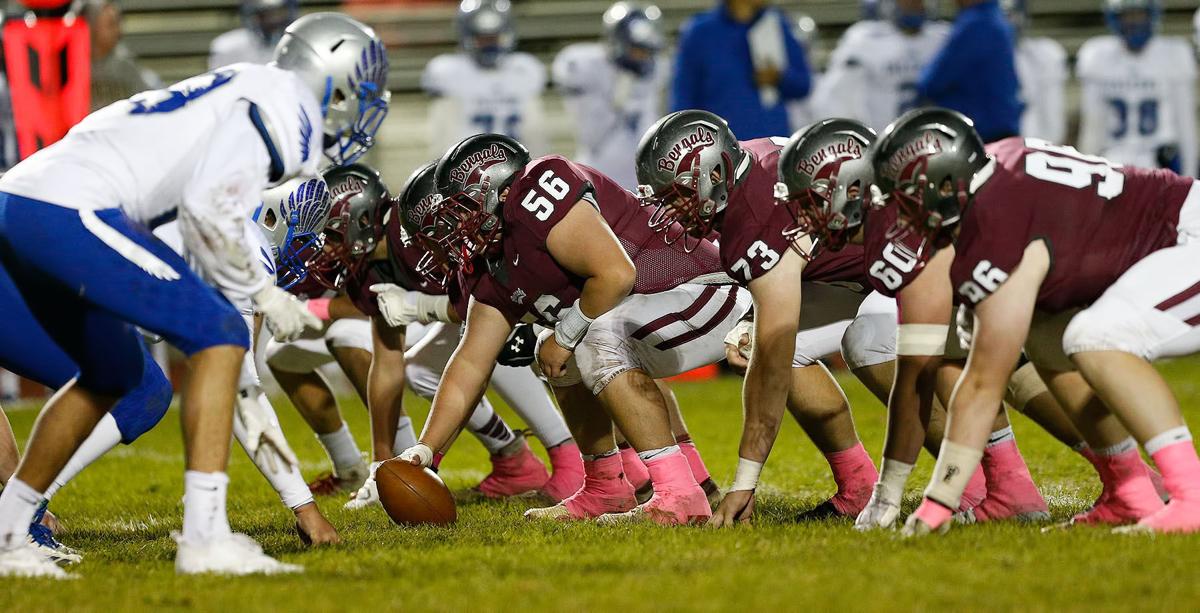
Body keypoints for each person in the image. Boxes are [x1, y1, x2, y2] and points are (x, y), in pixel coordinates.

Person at [0, 12, 388, 578]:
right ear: (330, 76)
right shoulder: (288, 111)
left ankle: (9, 530)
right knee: (220, 335)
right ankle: (205, 538)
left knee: (119, 377)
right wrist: (263, 292)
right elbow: (210, 208)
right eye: (363, 86)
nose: (366, 102)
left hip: (25, 200)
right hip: (67, 206)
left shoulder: (248, 86)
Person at [872, 108, 1200, 536]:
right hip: (1174, 233)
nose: (901, 217)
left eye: (906, 199)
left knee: (1095, 337)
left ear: (944, 183)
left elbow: (982, 384)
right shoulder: (997, 175)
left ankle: (1191, 495)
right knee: (1047, 335)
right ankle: (1130, 491)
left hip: (1187, 238)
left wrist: (937, 503)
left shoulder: (995, 219)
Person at [397, 134, 740, 525]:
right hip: (649, 318)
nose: (456, 231)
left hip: (704, 292)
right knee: (569, 343)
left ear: (501, 188)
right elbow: (471, 363)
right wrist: (424, 451)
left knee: (584, 336)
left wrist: (564, 338)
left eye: (463, 212)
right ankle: (608, 485)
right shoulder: (491, 263)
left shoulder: (538, 188)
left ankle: (679, 496)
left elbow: (615, 275)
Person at [634, 110, 903, 525]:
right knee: (778, 347)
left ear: (712, 174)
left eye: (677, 195)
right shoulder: (751, 161)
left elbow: (771, 363)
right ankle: (858, 485)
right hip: (859, 274)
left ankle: (981, 483)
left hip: (908, 267)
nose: (672, 210)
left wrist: (745, 479)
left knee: (863, 346)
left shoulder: (754, 214)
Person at [553, 2, 667, 190]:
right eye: (636, 49)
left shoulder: (658, 69)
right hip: (598, 173)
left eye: (646, 50)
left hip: (644, 177)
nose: (642, 57)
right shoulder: (590, 66)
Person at [1077, 0, 1196, 176]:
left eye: (1139, 14)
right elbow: (1092, 128)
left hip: (1162, 160)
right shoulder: (1096, 55)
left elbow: (1186, 124)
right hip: (1113, 160)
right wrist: (1084, 172)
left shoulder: (1175, 54)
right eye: (1127, 16)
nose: (1134, 22)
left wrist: (1190, 174)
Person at [422, 0, 548, 157]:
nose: (490, 46)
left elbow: (535, 133)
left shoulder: (524, 69)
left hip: (518, 165)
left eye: (494, 39)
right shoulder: (449, 71)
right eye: (483, 39)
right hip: (467, 166)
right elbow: (443, 135)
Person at [670, 0, 811, 140]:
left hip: (772, 146)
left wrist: (780, 78)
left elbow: (804, 84)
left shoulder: (777, 25)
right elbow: (683, 96)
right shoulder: (700, 32)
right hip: (721, 148)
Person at [813, 0, 948, 132]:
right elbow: (836, 96)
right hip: (880, 137)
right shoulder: (865, 39)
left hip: (931, 135)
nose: (913, 4)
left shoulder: (942, 37)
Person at [916, 0, 1021, 142]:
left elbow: (930, 82)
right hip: (999, 131)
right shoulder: (996, 19)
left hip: (982, 135)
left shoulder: (976, 23)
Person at [1003, 0, 1067, 143]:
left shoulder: (1041, 55)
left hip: (1033, 146)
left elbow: (1053, 120)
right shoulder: (976, 57)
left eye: (1010, 15)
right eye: (1002, 16)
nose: (1006, 23)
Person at [85, 0, 162, 110]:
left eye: (118, 23)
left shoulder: (125, 66)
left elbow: (155, 93)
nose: (118, 31)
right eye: (111, 24)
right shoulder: (70, 67)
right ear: (91, 27)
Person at [210, 0, 299, 68]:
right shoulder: (228, 47)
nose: (273, 20)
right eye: (264, 14)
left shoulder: (299, 43)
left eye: (278, 13)